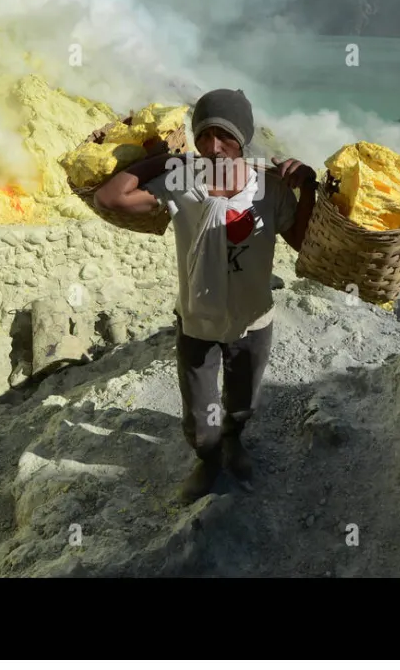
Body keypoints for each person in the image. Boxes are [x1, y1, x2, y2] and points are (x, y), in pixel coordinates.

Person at [93, 89, 318, 503]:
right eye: (205, 135)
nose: (214, 147)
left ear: (244, 138)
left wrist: (308, 190)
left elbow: (304, 242)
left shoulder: (269, 190)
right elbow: (110, 198)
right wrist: (168, 159)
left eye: (226, 135)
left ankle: (234, 442)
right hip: (198, 320)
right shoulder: (181, 182)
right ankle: (209, 459)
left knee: (241, 402)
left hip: (252, 320)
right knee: (201, 418)